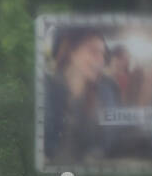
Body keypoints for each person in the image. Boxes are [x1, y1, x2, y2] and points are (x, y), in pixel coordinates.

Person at [44, 26, 114, 165]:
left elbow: (105, 143)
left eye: (102, 54)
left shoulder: (102, 94)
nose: (100, 61)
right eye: (93, 51)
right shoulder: (47, 89)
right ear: (72, 52)